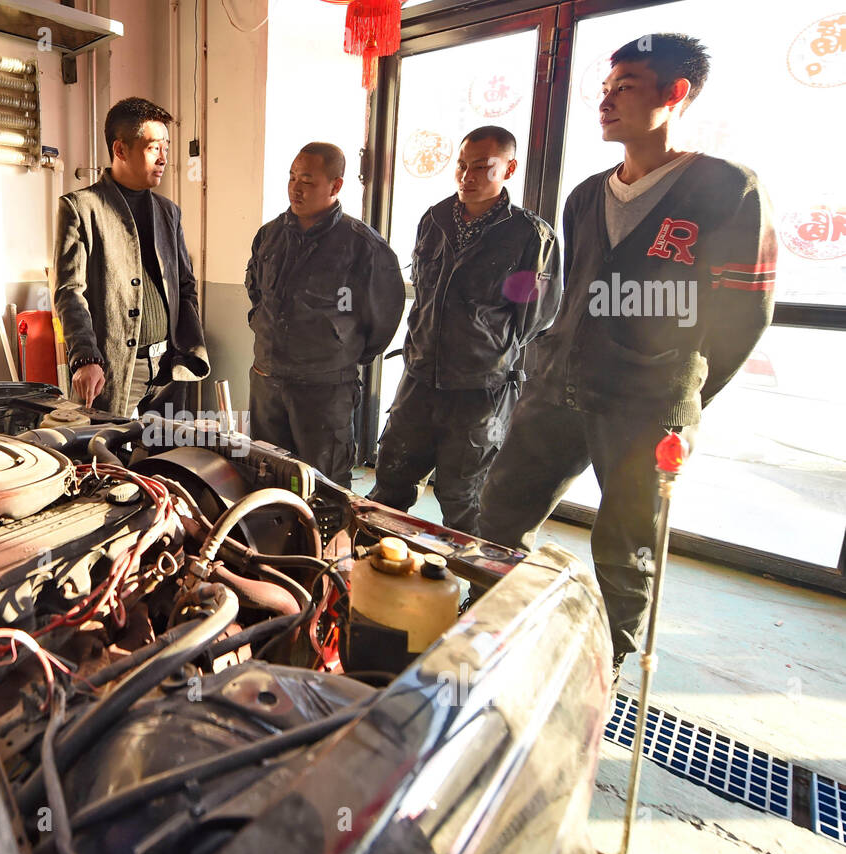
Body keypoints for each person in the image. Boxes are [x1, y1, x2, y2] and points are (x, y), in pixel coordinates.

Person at [478, 34, 777, 678]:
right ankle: (488, 623)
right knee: (500, 508)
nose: (607, 101)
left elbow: (743, 315)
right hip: (558, 382)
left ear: (675, 94)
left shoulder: (728, 190)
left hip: (646, 400)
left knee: (627, 541)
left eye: (628, 87)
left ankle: (608, 663)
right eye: (607, 89)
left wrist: (680, 391)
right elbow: (573, 291)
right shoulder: (587, 195)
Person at [371, 126, 560, 536]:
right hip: (419, 379)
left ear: (508, 168)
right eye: (461, 166)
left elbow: (535, 319)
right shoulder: (435, 218)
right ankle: (370, 573)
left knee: (464, 498)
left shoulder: (530, 236)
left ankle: (475, 594)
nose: (467, 177)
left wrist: (485, 347)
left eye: (482, 167)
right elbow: (423, 296)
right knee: (390, 482)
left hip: (480, 390)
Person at [244, 142, 405, 486]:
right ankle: (274, 539)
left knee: (325, 483)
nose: (295, 188)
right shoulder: (270, 236)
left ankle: (325, 541)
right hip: (267, 380)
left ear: (335, 186)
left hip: (324, 388)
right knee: (265, 473)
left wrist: (337, 351)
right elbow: (256, 293)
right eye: (291, 178)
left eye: (307, 180)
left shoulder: (362, 245)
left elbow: (382, 319)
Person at [54, 97, 209, 417]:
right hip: (114, 370)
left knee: (163, 461)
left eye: (166, 147)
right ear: (120, 150)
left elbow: (184, 283)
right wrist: (85, 358)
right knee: (105, 459)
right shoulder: (81, 208)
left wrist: (188, 346)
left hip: (169, 369)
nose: (164, 157)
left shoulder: (169, 212)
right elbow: (70, 293)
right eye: (154, 148)